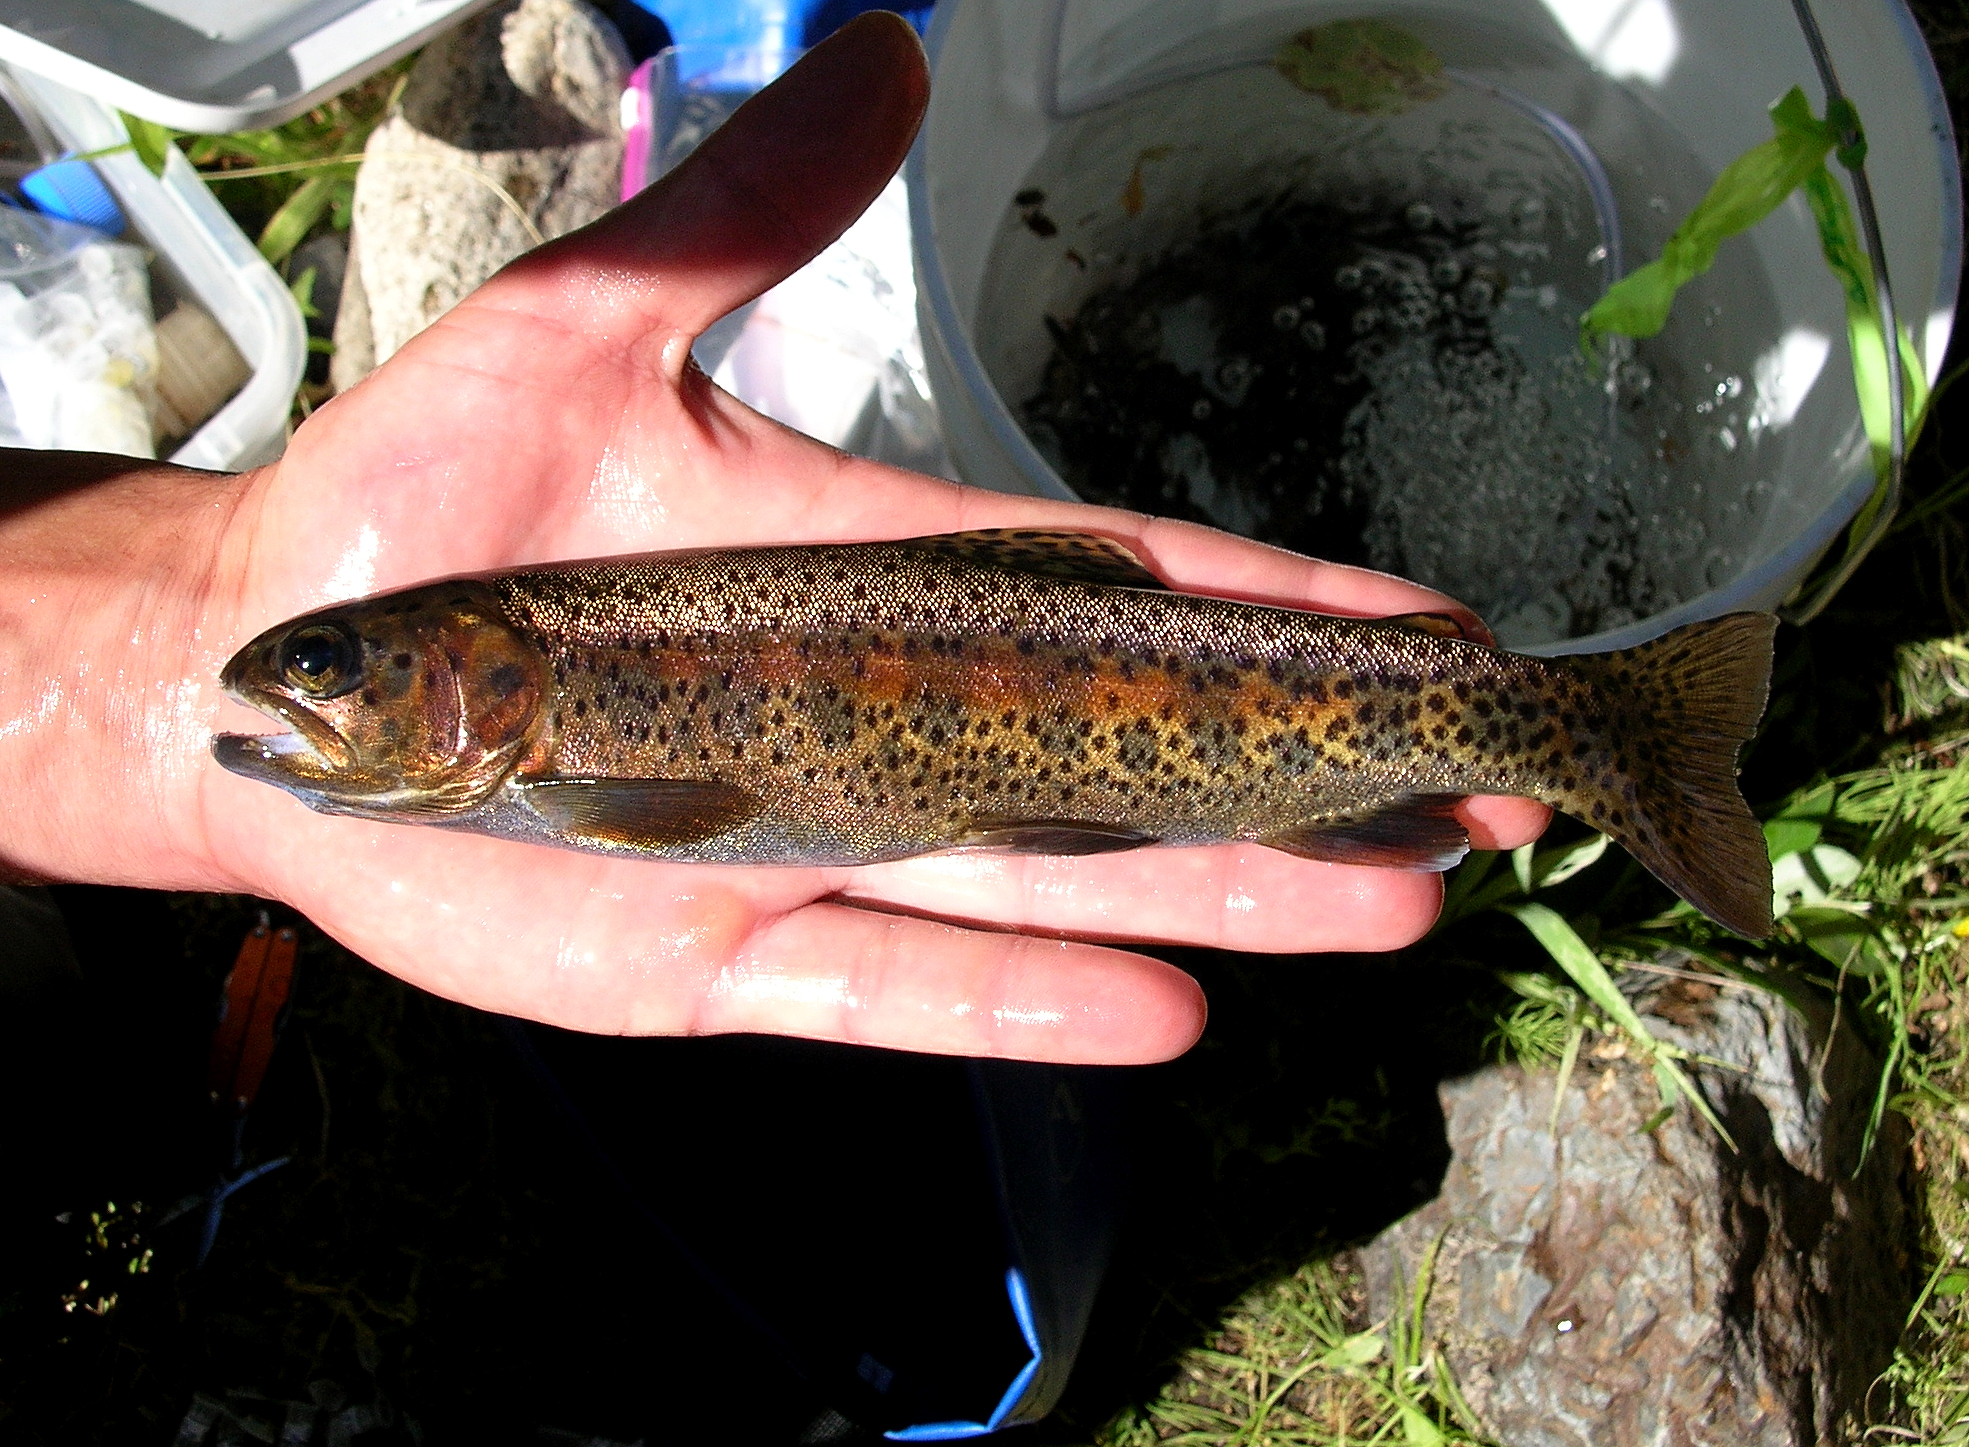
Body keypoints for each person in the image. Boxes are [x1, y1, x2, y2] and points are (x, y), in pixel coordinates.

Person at [0, 14, 1545, 1066]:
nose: (306, 691)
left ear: (464, 670)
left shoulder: (555, 731)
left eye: (339, 665)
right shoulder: (534, 738)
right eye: (332, 668)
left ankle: (1515, 730)